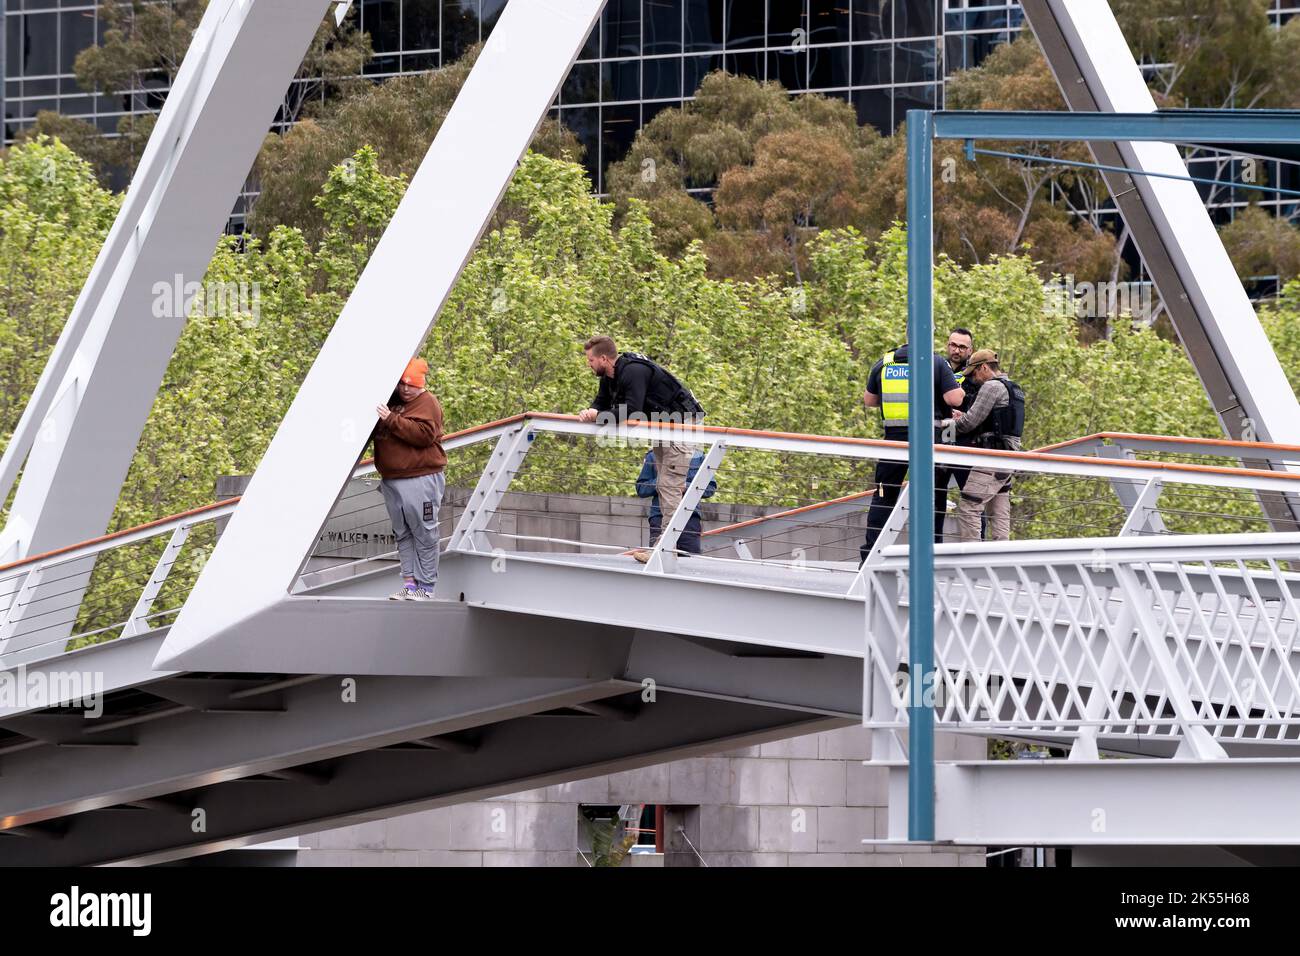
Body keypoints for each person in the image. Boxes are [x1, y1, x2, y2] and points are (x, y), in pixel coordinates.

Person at [577, 335, 705, 562]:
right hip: (663, 425)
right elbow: (601, 402)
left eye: (590, 360)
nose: (589, 364)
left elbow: (631, 411)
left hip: (682, 423)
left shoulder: (633, 371)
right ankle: (665, 547)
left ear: (604, 358)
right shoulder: (609, 376)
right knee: (665, 485)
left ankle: (666, 550)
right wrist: (590, 412)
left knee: (669, 485)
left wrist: (600, 416)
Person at [860, 342, 965, 561]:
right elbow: (954, 399)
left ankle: (871, 556)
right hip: (926, 441)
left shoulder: (885, 362)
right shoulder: (935, 362)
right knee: (933, 497)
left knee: (883, 496)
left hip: (893, 442)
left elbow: (869, 400)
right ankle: (930, 556)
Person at [373, 357, 447, 600]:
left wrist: (391, 420)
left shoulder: (428, 403)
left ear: (421, 383)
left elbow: (424, 435)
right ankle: (410, 584)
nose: (406, 389)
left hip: (421, 478)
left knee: (424, 532)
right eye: (402, 384)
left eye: (411, 385)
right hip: (392, 478)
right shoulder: (393, 401)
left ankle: (427, 587)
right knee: (402, 533)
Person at [942, 349, 1025, 542]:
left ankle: (973, 563)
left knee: (969, 506)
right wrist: (966, 418)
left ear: (984, 367)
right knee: (999, 511)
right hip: (1009, 458)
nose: (973, 379)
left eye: (974, 373)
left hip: (993, 457)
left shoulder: (992, 387)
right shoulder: (1014, 388)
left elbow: (970, 423)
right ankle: (999, 562)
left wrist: (947, 425)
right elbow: (999, 422)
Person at [636, 448, 717, 555]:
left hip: (689, 519)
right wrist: (664, 482)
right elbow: (641, 489)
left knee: (690, 564)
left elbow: (710, 488)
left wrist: (685, 486)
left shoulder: (698, 456)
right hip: (659, 517)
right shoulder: (654, 455)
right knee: (658, 560)